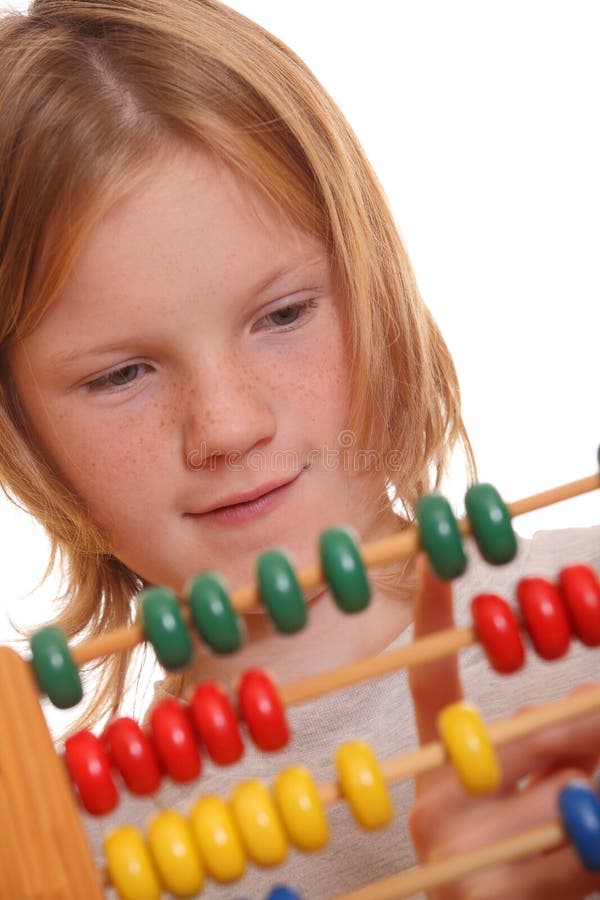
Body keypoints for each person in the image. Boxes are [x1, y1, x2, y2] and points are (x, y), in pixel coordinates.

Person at [0, 1, 599, 897]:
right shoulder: (61, 860)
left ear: (376, 289)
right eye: (122, 375)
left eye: (283, 315)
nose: (228, 426)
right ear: (21, 431)